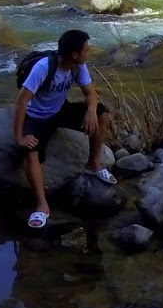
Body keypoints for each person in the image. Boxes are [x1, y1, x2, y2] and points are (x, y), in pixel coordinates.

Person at [14, 29, 114, 228]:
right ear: (75, 54)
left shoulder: (78, 66)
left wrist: (91, 110)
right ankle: (42, 206)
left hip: (60, 110)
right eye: (86, 50)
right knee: (31, 154)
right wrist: (19, 137)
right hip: (36, 117)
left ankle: (93, 163)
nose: (89, 52)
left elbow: (90, 93)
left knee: (101, 113)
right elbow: (21, 102)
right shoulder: (43, 68)